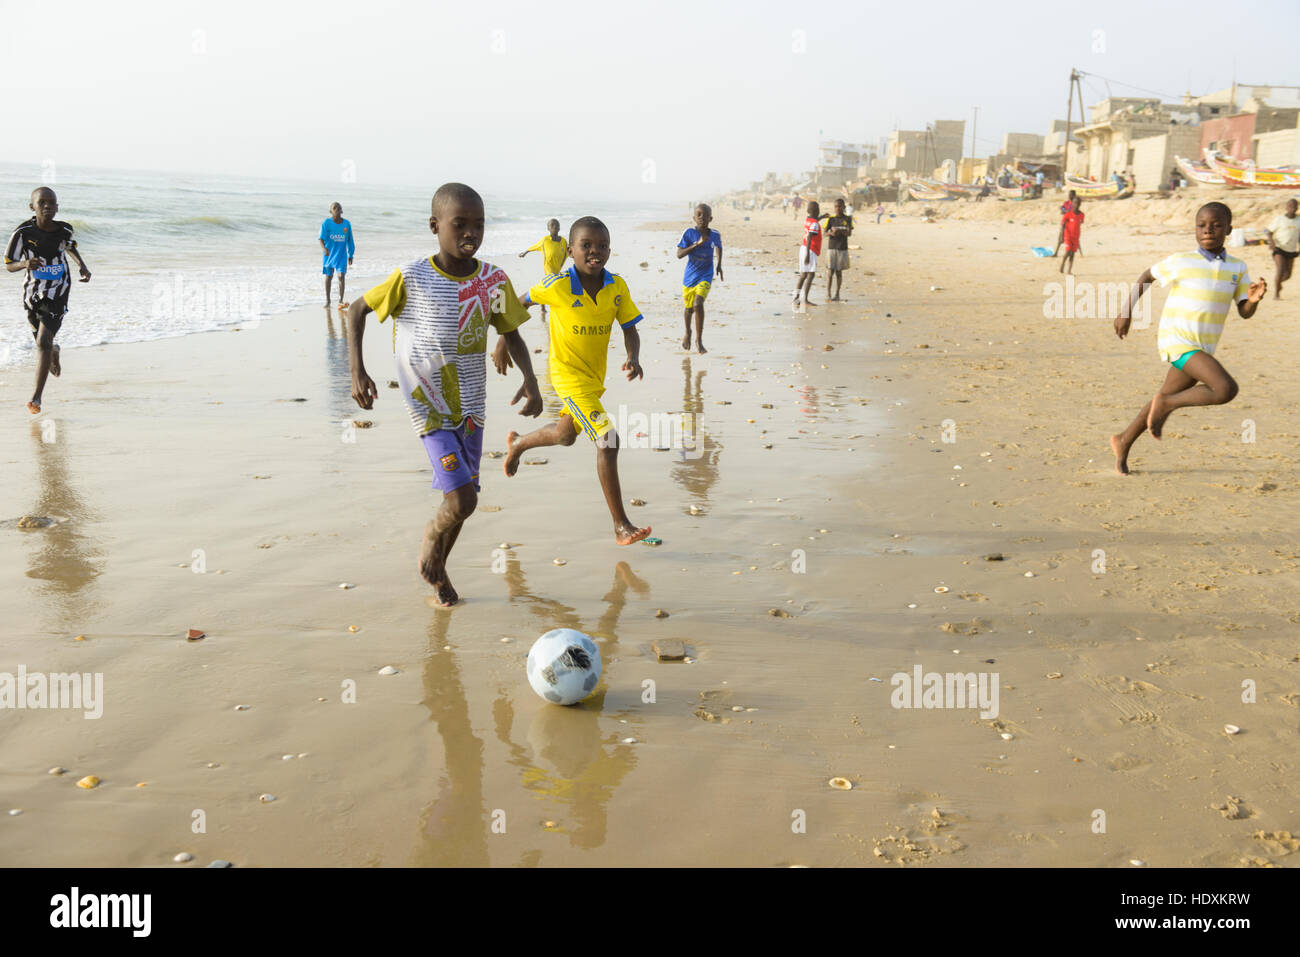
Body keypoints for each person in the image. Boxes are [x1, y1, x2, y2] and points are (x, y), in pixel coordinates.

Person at [346, 183, 542, 607]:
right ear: (435, 227)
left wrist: (531, 379)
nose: (470, 233)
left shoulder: (493, 280)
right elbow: (358, 310)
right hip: (429, 405)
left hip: (471, 405)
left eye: (479, 225)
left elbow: (511, 332)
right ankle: (431, 545)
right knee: (462, 498)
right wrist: (357, 372)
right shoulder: (412, 277)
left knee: (465, 500)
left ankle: (437, 569)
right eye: (460, 224)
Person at [501, 216, 652, 547]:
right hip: (566, 377)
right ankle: (620, 525)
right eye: (586, 245)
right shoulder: (556, 285)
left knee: (565, 435)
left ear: (610, 250)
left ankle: (519, 444)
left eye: (601, 246)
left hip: (593, 378)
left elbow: (629, 327)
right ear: (571, 251)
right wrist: (503, 341)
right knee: (608, 440)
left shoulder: (617, 287)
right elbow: (518, 303)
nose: (594, 251)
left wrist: (634, 356)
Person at [1109, 202, 1266, 475]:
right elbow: (1147, 276)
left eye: (1216, 225)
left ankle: (1123, 440)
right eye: (1202, 225)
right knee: (1224, 389)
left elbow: (1244, 311)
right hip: (1177, 340)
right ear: (1195, 229)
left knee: (1166, 395)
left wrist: (1253, 300)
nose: (1208, 230)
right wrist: (1126, 312)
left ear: (1229, 229)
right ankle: (1166, 405)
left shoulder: (1238, 268)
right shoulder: (1182, 260)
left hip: (1202, 346)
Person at [4, 187, 91, 414]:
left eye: (52, 203)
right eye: (42, 202)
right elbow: (8, 264)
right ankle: (54, 350)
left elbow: (69, 247)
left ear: (57, 207)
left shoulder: (64, 229)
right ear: (32, 207)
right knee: (43, 343)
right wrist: (24, 264)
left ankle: (36, 397)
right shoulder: (22, 233)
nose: (47, 206)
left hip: (59, 291)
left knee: (42, 341)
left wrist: (81, 265)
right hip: (33, 293)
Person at [676, 203, 722, 354]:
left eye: (705, 215)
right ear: (694, 218)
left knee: (698, 303)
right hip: (690, 276)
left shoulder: (715, 234)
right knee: (689, 309)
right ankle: (688, 332)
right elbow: (679, 254)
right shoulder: (689, 233)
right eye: (699, 215)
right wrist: (697, 244)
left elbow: (719, 247)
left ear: (711, 218)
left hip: (706, 274)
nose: (702, 218)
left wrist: (719, 265)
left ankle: (699, 339)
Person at [518, 218, 569, 320]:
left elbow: (569, 251)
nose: (554, 227)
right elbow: (535, 246)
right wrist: (525, 252)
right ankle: (546, 306)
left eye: (556, 225)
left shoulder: (563, 241)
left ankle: (542, 305)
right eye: (552, 225)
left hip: (557, 268)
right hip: (548, 269)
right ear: (548, 228)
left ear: (559, 228)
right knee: (551, 286)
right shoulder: (545, 241)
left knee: (546, 286)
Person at [320, 202, 355, 310]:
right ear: (331, 211)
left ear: (341, 210)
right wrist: (324, 248)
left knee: (341, 276)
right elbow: (321, 238)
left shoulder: (346, 224)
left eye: (339, 207)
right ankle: (328, 300)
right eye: (334, 207)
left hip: (342, 255)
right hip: (329, 255)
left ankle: (340, 300)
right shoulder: (326, 223)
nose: (337, 208)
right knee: (329, 277)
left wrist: (351, 254)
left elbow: (350, 240)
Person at [820, 197, 853, 300]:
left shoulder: (848, 219)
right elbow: (824, 233)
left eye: (839, 206)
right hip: (832, 248)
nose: (837, 208)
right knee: (830, 272)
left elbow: (849, 233)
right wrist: (831, 233)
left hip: (842, 248)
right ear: (833, 208)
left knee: (839, 272)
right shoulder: (831, 219)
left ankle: (837, 294)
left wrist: (841, 232)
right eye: (835, 206)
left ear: (843, 207)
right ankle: (828, 294)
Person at [1266, 198, 1299, 299]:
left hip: (1292, 249)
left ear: (1297, 208)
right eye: (1290, 206)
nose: (1292, 208)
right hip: (1279, 248)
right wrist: (1271, 242)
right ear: (1286, 207)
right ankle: (1276, 294)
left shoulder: (1299, 220)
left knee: (1287, 275)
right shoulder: (1279, 219)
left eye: (1294, 206)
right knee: (1280, 270)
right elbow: (1269, 232)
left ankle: (1278, 283)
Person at [793, 200, 821, 308]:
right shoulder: (814, 224)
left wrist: (821, 217)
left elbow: (814, 222)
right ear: (816, 210)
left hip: (803, 248)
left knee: (803, 274)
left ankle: (796, 298)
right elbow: (810, 237)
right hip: (810, 249)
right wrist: (808, 255)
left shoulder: (808, 220)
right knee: (810, 274)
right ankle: (805, 299)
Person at [1059, 198, 1083, 275]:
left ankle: (1069, 270)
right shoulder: (1068, 214)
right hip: (1068, 235)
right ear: (1072, 204)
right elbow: (1063, 225)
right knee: (1068, 251)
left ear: (1080, 204)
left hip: (1076, 237)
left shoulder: (1081, 215)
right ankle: (1062, 265)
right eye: (1075, 203)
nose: (1076, 205)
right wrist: (1062, 236)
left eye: (1078, 203)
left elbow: (1079, 223)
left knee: (1072, 253)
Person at [1053, 190, 1078, 257]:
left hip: (1071, 223)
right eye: (1069, 194)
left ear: (1074, 195)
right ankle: (1056, 253)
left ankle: (1069, 253)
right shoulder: (1067, 202)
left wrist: (1065, 211)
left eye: (1071, 195)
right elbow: (1062, 209)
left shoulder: (1074, 204)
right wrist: (1065, 211)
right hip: (1064, 223)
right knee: (1060, 238)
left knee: (1071, 239)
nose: (1069, 196)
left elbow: (1069, 211)